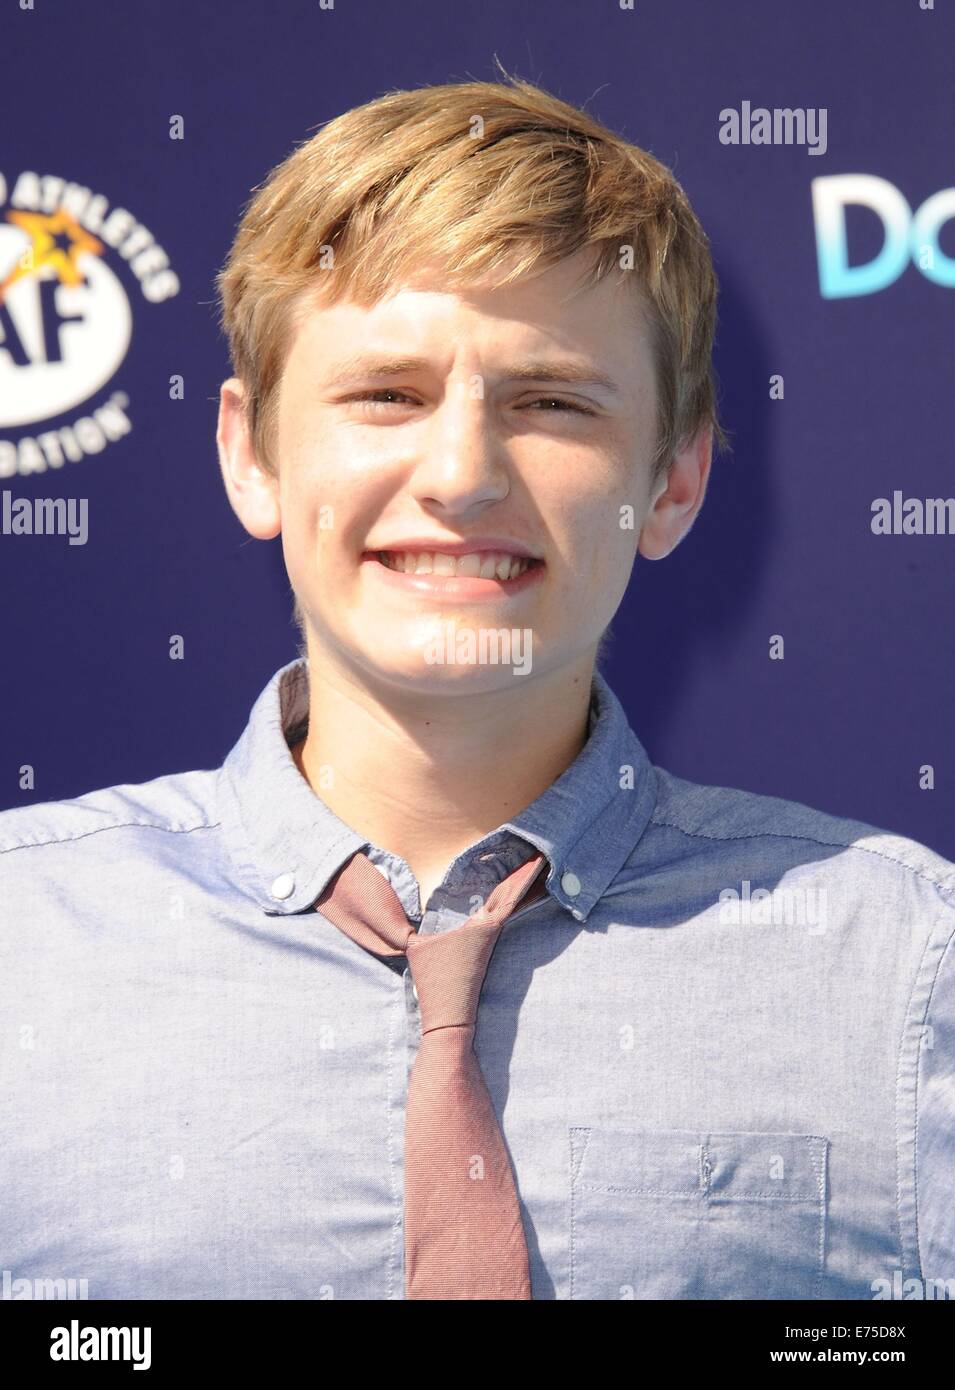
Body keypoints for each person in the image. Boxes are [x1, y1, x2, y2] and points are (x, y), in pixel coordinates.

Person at [1, 73, 952, 1303]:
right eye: (385, 396)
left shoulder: (902, 967)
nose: (458, 472)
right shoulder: (23, 946)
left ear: (672, 481)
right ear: (251, 455)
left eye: (551, 401)